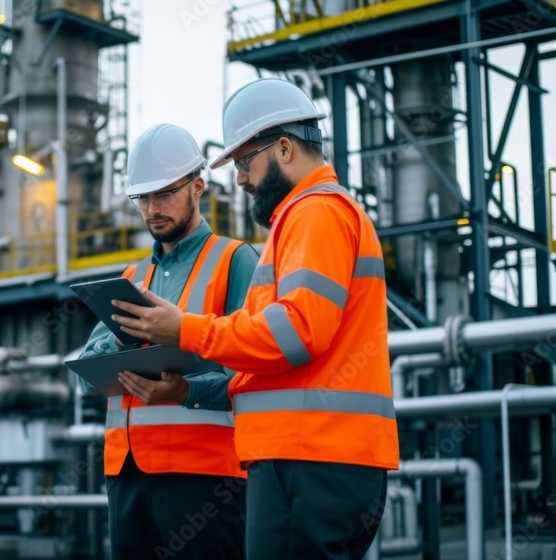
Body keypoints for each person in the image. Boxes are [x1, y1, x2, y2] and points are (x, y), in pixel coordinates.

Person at [110, 79, 400, 559]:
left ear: (283, 148)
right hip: (313, 456)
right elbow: (279, 341)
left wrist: (183, 329)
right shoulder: (306, 219)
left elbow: (295, 332)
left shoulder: (315, 213)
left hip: (310, 456)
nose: (241, 179)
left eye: (245, 162)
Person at [77, 123, 258, 560]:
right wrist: (116, 355)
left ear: (198, 187)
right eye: (142, 197)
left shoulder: (236, 260)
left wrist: (188, 390)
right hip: (127, 472)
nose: (152, 208)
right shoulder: (131, 279)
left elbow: (254, 369)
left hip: (204, 475)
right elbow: (86, 376)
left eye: (164, 194)